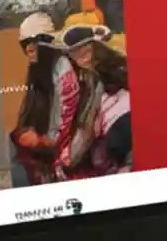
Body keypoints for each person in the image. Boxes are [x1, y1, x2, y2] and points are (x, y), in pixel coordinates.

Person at [10, 12, 86, 186]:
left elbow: (61, 131)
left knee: (19, 170)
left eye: (32, 43)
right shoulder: (40, 68)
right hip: (46, 147)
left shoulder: (62, 71)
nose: (28, 50)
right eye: (25, 45)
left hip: (65, 151)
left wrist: (37, 140)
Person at [58, 24, 132, 175]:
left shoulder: (91, 81)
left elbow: (87, 128)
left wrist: (68, 162)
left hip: (119, 131)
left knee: (98, 158)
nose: (82, 58)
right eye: (76, 54)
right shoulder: (121, 64)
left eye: (84, 51)